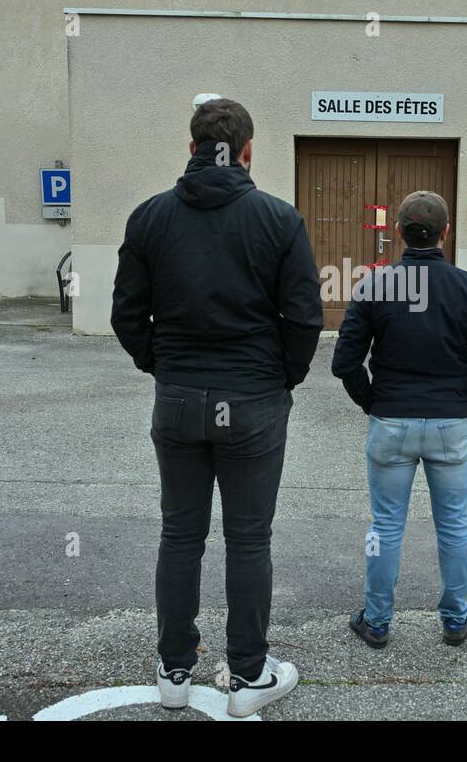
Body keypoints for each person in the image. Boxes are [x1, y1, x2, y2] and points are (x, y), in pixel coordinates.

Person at [111, 98, 323, 718]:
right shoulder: (278, 220)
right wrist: (278, 377)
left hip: (179, 399)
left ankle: (175, 669)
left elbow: (127, 314)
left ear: (192, 146)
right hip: (253, 399)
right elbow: (305, 317)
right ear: (248, 149)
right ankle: (250, 675)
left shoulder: (150, 218)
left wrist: (165, 366)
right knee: (248, 538)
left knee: (180, 533)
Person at [332, 191, 467, 648]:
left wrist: (372, 401)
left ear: (398, 232)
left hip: (390, 420)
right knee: (453, 524)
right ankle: (454, 619)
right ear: (446, 232)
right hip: (449, 424)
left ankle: (376, 621)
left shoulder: (374, 286)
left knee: (384, 526)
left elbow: (345, 360)